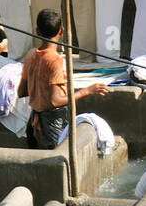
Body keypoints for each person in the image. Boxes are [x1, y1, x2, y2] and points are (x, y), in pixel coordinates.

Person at [18, 8, 109, 149]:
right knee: (59, 160)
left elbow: (21, 92)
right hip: (53, 125)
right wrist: (87, 91)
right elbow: (55, 101)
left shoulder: (30, 55)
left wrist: (39, 91)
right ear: (61, 31)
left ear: (37, 31)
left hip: (34, 122)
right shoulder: (55, 61)